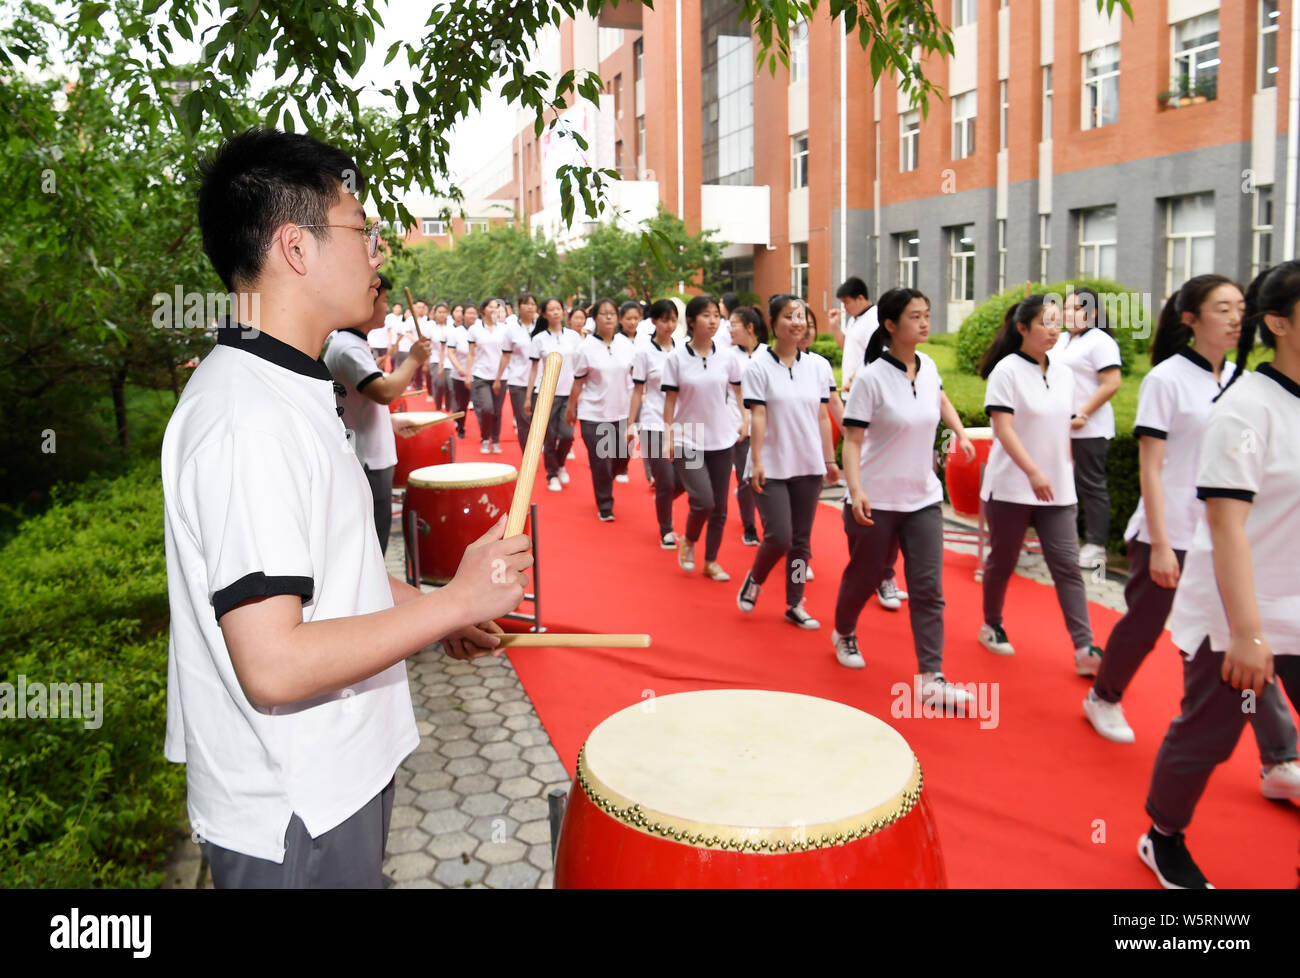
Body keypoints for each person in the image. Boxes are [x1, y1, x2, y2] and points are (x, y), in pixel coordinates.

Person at [163, 128, 531, 889]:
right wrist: (456, 597)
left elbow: (335, 583)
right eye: (361, 230)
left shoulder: (287, 388)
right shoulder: (245, 419)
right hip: (295, 811)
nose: (377, 253)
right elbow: (273, 663)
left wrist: (442, 613)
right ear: (296, 248)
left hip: (332, 784)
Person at [1085, 274, 1300, 795]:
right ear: (1190, 319)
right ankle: (1105, 695)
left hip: (1229, 541)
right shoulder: (1167, 379)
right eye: (1221, 308)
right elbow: (1151, 467)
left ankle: (1278, 756)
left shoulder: (1246, 380)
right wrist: (1160, 542)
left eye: (1238, 308)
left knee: (1237, 658)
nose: (1233, 318)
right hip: (1173, 527)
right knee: (1145, 625)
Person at [1138, 260, 1300, 889]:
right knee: (1209, 734)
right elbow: (1227, 528)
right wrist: (1250, 634)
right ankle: (1162, 835)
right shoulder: (1246, 410)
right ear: (1280, 323)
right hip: (1239, 608)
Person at [830, 287, 979, 709]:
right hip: (875, 500)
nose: (925, 322)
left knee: (929, 588)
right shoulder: (871, 378)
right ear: (891, 325)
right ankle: (843, 631)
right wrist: (855, 489)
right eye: (915, 316)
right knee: (864, 577)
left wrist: (961, 431)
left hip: (924, 499)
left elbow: (940, 397)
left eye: (927, 314)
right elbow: (853, 441)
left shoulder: (929, 366)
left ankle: (931, 676)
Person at [977, 294, 1103, 675]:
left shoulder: (1063, 372)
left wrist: (1059, 468)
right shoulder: (1006, 371)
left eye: (1056, 322)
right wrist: (1032, 471)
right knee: (1003, 560)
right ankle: (992, 623)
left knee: (1066, 566)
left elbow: (1060, 425)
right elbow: (1004, 429)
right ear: (1022, 329)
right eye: (1046, 322)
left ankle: (1084, 648)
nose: (1055, 329)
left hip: (1058, 489)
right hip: (1013, 486)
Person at [736, 294, 839, 627]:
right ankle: (756, 578)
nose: (798, 322)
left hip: (808, 465)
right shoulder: (757, 367)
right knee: (779, 535)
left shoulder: (819, 366)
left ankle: (795, 603)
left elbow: (823, 417)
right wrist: (758, 459)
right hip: (772, 465)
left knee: (801, 541)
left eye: (802, 316)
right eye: (789, 316)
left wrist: (830, 459)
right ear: (772, 323)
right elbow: (760, 415)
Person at [323, 273, 430, 554]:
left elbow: (360, 403)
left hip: (370, 455)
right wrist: (414, 360)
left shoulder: (352, 343)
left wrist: (391, 422)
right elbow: (384, 391)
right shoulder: (347, 347)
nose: (385, 307)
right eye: (383, 300)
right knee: (372, 544)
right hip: (367, 461)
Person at [662, 294, 744, 580]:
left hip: (722, 438)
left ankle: (710, 561)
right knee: (703, 500)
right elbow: (670, 401)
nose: (713, 321)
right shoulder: (676, 359)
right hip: (689, 438)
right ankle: (690, 541)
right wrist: (669, 434)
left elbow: (737, 390)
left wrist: (742, 420)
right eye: (706, 315)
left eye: (716, 316)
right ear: (692, 321)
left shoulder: (728, 356)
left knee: (720, 508)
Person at [1054, 288, 1122, 569]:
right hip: (1060, 428)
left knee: (1091, 485)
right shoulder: (1060, 340)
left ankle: (1096, 546)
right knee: (1063, 484)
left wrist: (1083, 413)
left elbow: (1111, 383)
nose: (1069, 315)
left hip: (1090, 427)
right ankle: (1065, 539)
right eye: (1066, 309)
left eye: (1076, 309)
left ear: (1092, 312)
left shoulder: (1100, 342)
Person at [567, 299, 636, 521]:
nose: (609, 317)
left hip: (622, 411)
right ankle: (605, 504)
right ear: (595, 318)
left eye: (612, 314)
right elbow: (578, 382)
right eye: (604, 314)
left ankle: (607, 478)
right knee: (601, 462)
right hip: (593, 413)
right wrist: (571, 408)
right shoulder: (585, 348)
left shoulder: (625, 344)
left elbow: (633, 378)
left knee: (622, 457)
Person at [629, 299, 685, 547]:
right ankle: (666, 529)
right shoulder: (644, 353)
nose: (669, 325)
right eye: (664, 319)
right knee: (666, 480)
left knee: (685, 481)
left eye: (673, 319)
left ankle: (662, 501)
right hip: (652, 423)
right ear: (654, 321)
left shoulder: (683, 350)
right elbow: (637, 389)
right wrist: (631, 423)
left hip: (682, 424)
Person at [527, 297, 582, 492]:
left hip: (569, 393)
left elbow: (579, 366)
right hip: (545, 394)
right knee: (549, 437)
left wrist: (580, 392)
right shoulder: (539, 339)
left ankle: (560, 464)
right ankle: (552, 474)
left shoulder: (574, 337)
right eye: (551, 309)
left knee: (567, 435)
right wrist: (528, 397)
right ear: (544, 314)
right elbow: (533, 369)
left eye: (558, 308)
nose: (556, 312)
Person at [728, 305, 767, 546]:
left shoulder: (768, 354)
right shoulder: (730, 356)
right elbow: (735, 392)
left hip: (765, 427)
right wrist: (742, 421)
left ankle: (769, 522)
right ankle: (749, 525)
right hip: (738, 426)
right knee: (744, 477)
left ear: (750, 327)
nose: (729, 329)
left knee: (765, 477)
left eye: (734, 324)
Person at [467, 297, 508, 454]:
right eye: (491, 307)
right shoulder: (474, 330)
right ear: (483, 310)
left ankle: (495, 440)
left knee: (497, 411)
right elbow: (471, 354)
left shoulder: (504, 329)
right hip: (481, 375)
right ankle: (485, 438)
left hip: (501, 376)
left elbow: (507, 353)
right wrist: (468, 375)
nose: (494, 310)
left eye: (496, 307)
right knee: (487, 408)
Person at [498, 293, 538, 448]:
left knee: (539, 419)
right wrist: (498, 379)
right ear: (519, 307)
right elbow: (506, 356)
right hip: (518, 381)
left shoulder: (543, 328)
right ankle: (527, 455)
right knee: (523, 420)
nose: (530, 307)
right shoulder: (511, 330)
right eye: (526, 304)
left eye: (533, 304)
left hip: (539, 382)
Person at [830, 276, 878, 395]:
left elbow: (874, 355)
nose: (844, 307)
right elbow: (846, 347)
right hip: (850, 390)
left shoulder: (874, 319)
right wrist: (835, 326)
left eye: (846, 302)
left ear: (860, 298)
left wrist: (853, 380)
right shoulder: (853, 319)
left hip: (864, 389)